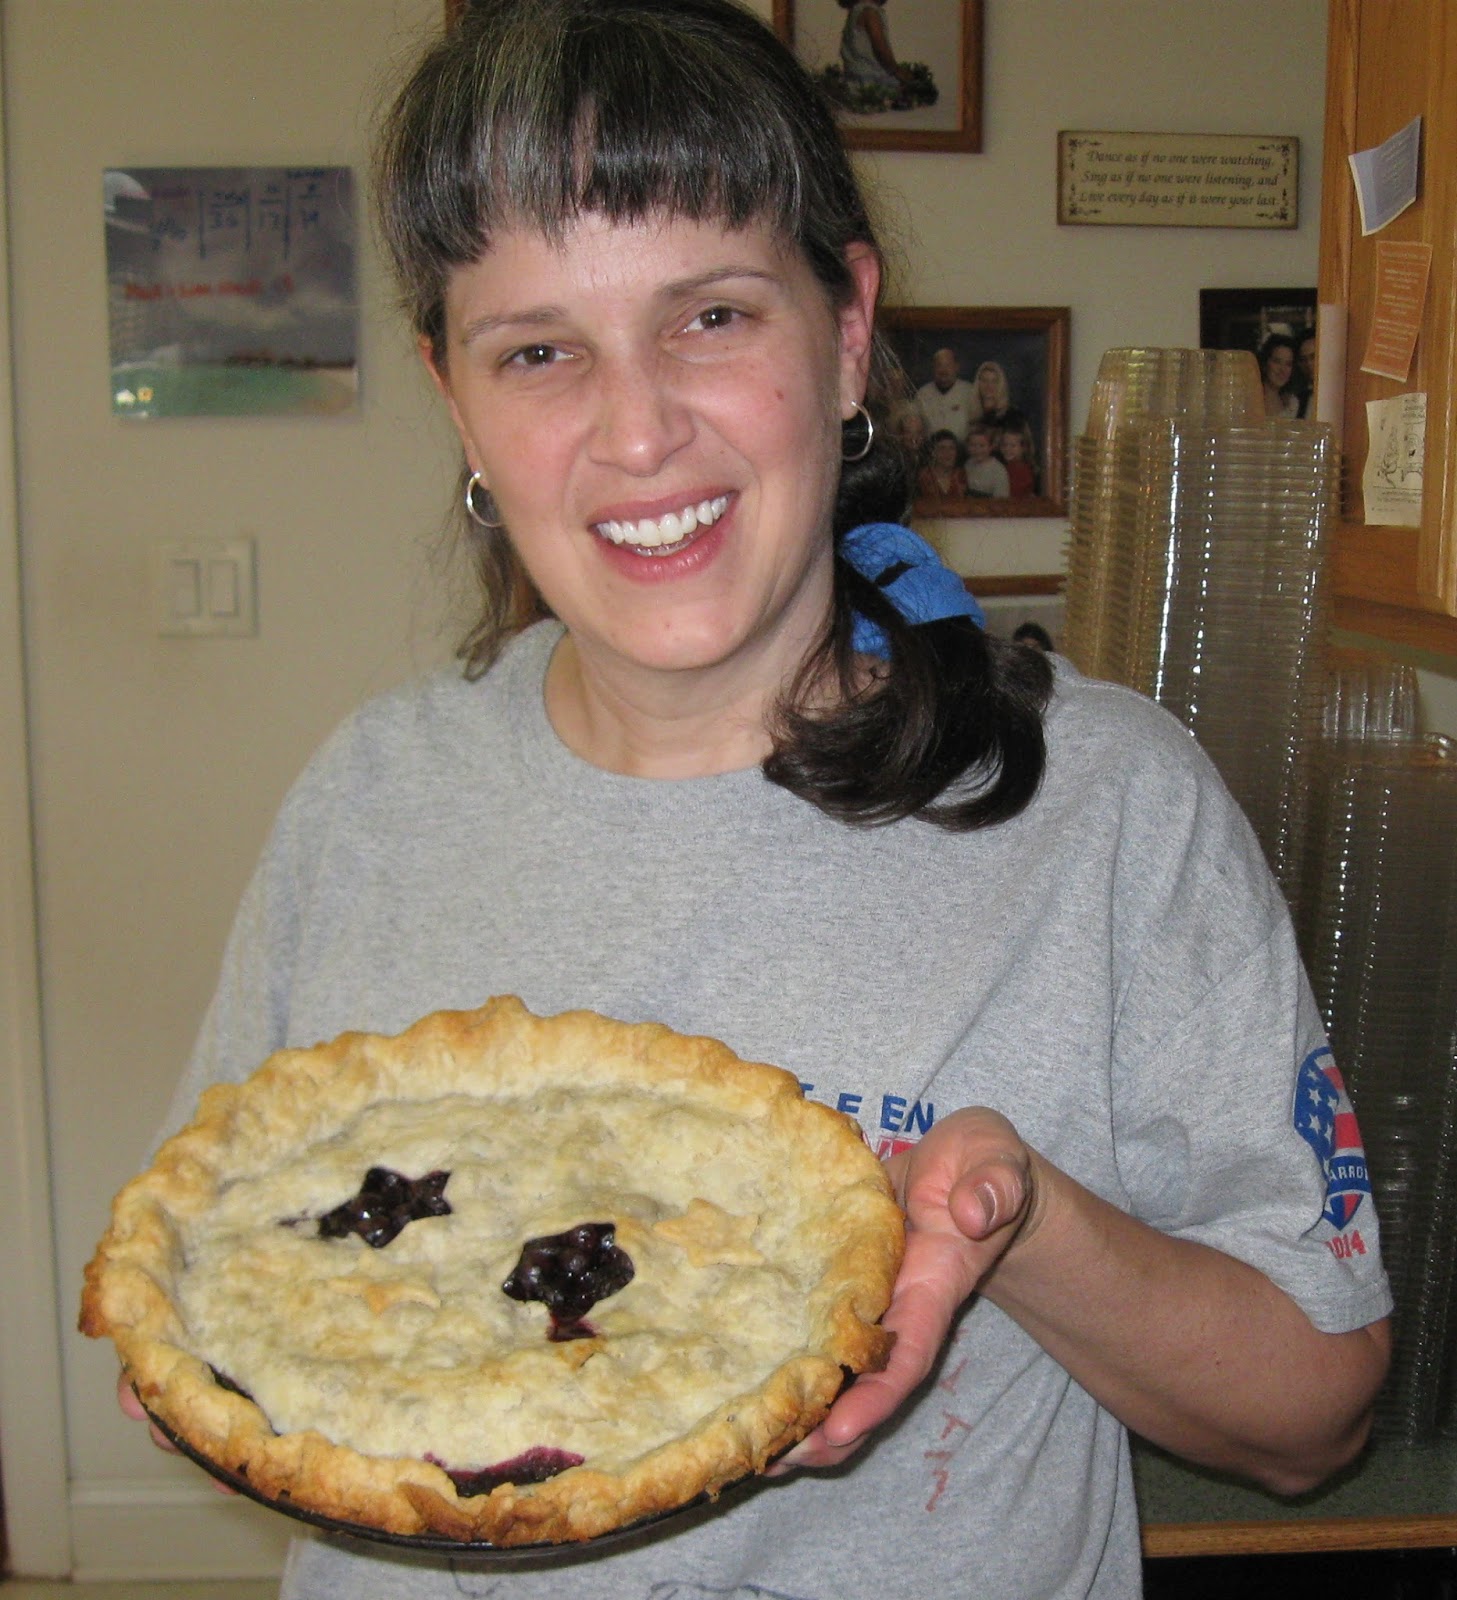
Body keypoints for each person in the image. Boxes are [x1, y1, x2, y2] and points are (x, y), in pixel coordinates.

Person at [117, 3, 1391, 1597]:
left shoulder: (1107, 811)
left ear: (848, 328)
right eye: (536, 351)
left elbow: (1313, 1417)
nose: (637, 430)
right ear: (456, 401)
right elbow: (207, 1280)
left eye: (711, 317)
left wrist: (1020, 1220)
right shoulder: (369, 799)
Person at [914, 345, 978, 444]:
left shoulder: (969, 391)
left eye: (948, 365)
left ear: (957, 367)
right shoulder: (922, 394)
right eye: (939, 365)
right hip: (931, 452)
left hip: (962, 452)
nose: (943, 370)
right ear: (933, 368)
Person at [916, 428, 969, 500]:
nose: (948, 453)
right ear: (933, 453)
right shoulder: (922, 477)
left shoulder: (962, 474)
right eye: (942, 448)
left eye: (952, 448)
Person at [1258, 332, 1301, 419]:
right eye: (1277, 361)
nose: (1283, 370)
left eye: (1288, 364)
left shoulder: (1292, 403)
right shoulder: (1250, 398)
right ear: (1265, 363)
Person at [963, 421, 1011, 497]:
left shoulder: (998, 470)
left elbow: (1001, 501)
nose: (977, 450)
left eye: (982, 446)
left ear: (991, 447)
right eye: (973, 445)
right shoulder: (967, 464)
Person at [998, 419, 1039, 498]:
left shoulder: (1022, 470)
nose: (1007, 449)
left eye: (1012, 446)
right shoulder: (1004, 466)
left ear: (1023, 448)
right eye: (1004, 445)